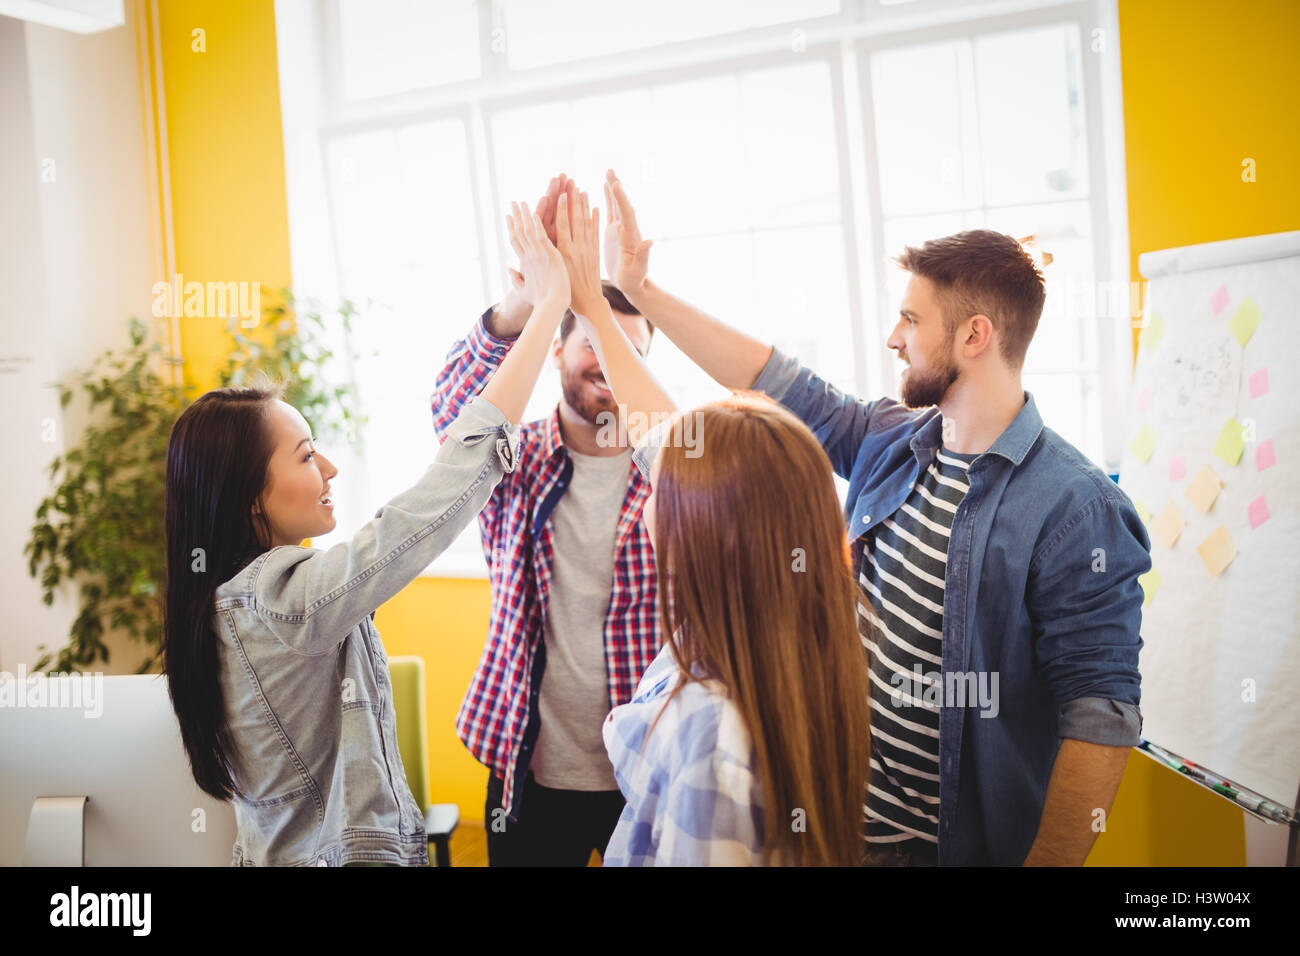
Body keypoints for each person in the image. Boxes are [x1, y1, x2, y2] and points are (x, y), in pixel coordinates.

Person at [599, 169, 1150, 866]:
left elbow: (1099, 716)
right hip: (827, 824)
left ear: (975, 335)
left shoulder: (1077, 508)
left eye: (912, 319)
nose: (894, 337)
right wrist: (638, 292)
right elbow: (773, 379)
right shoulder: (894, 441)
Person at [162, 202, 568, 866]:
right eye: (303, 456)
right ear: (247, 497)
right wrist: (548, 310)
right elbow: (425, 511)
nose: (328, 468)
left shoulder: (228, 601)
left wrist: (526, 300)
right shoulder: (281, 600)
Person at [551, 183, 871, 865]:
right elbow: (666, 438)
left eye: (664, 498)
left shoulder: (714, 736)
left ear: (713, 536)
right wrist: (598, 305)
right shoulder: (779, 643)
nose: (643, 513)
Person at [430, 175, 661, 866]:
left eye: (626, 350)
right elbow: (452, 413)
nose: (607, 364)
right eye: (590, 340)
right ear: (556, 350)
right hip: (527, 770)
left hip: (648, 769)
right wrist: (528, 300)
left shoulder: (674, 475)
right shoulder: (515, 458)